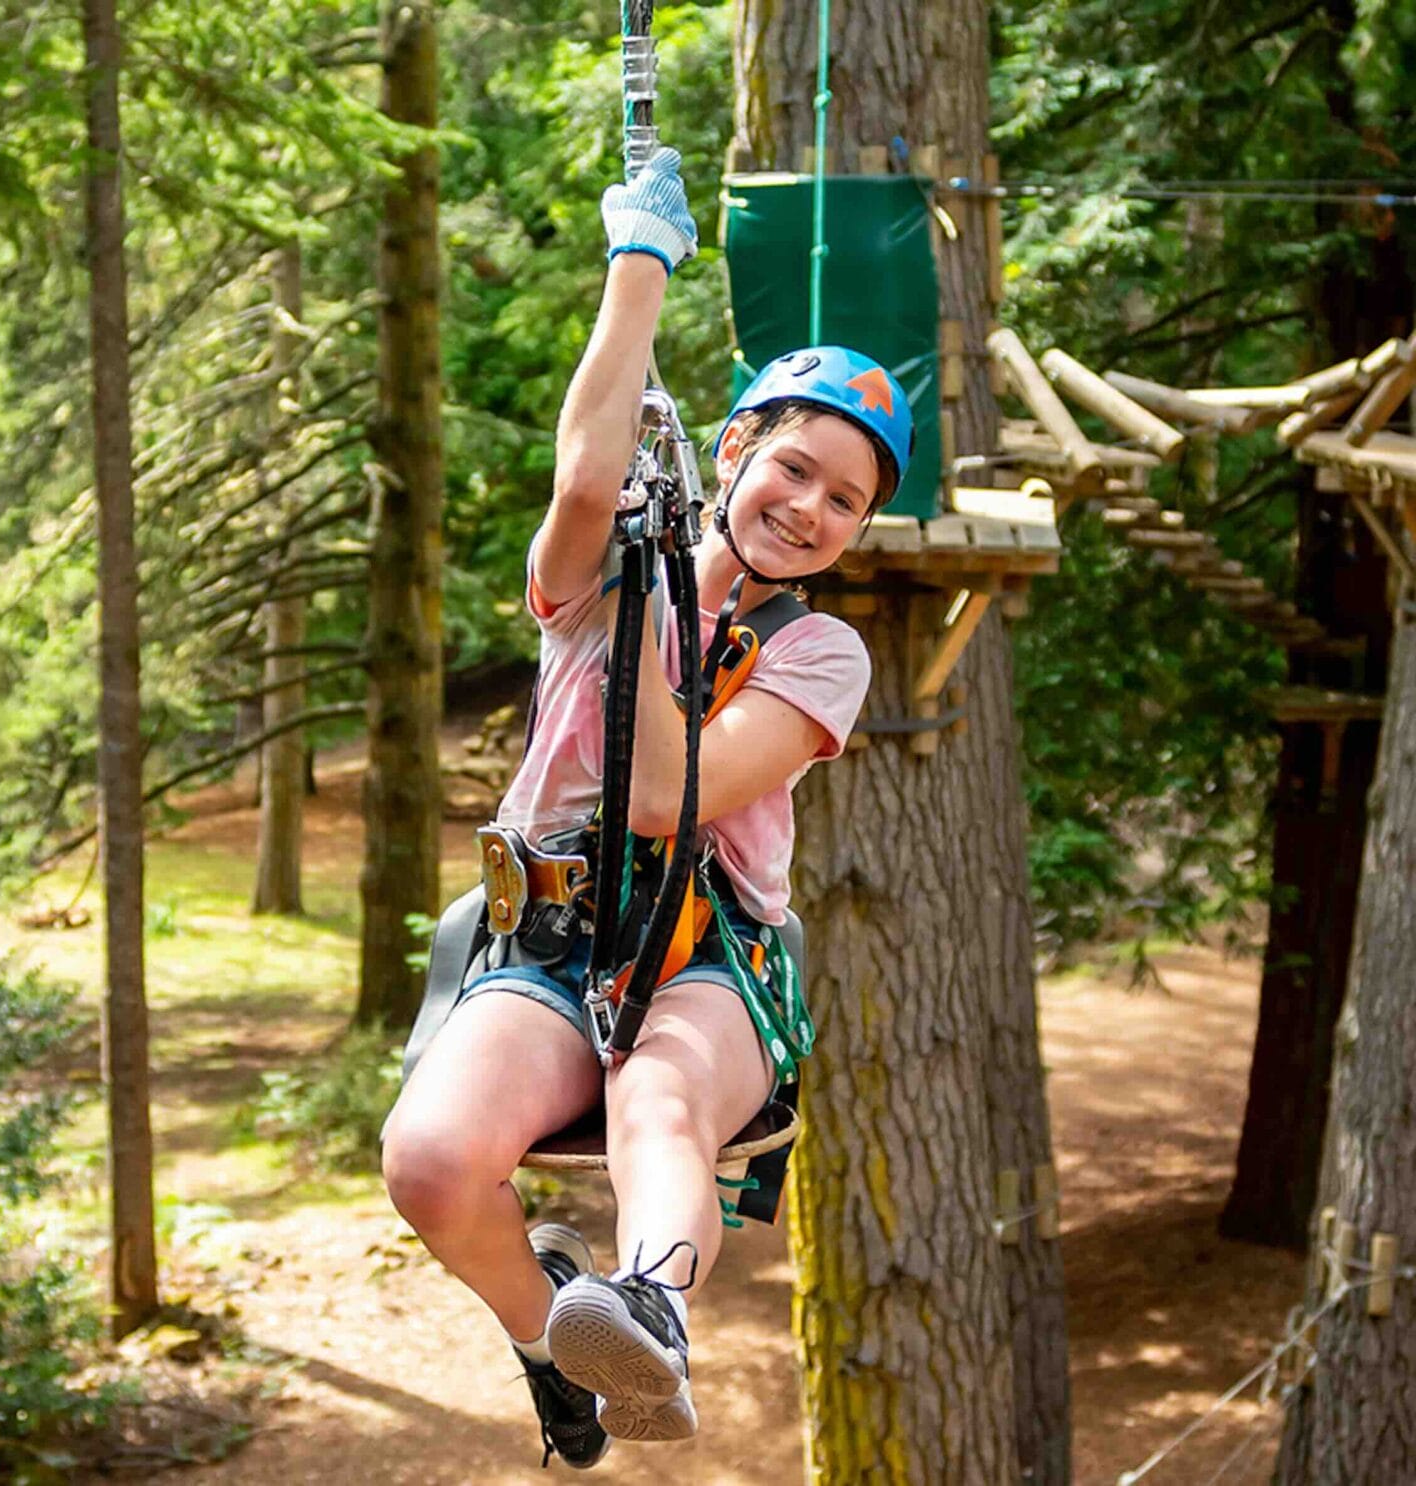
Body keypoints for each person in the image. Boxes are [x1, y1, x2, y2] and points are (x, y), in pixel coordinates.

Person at [377, 143, 908, 1465]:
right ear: (735, 445)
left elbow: (666, 794)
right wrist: (636, 269)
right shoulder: (604, 570)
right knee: (430, 1160)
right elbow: (576, 484)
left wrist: (676, 594)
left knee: (659, 1100)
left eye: (846, 503)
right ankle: (558, 1340)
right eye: (794, 469)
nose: (811, 509)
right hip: (554, 936)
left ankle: (649, 1311)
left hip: (705, 951)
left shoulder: (819, 652)